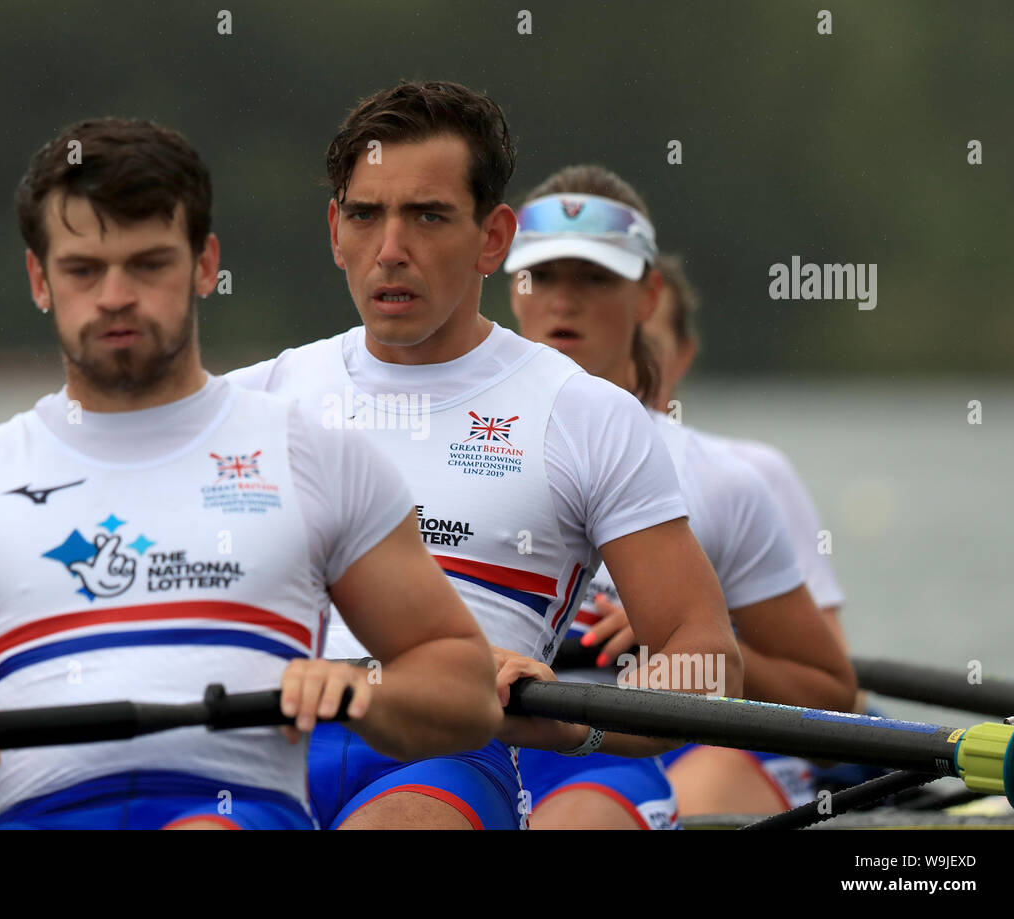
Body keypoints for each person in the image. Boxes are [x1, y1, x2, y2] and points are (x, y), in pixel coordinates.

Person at [0, 117, 502, 830]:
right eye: (84, 269)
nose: (115, 295)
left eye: (148, 264)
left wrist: (366, 690)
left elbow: (464, 687)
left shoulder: (317, 459)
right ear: (39, 279)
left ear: (205, 265)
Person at [226, 81, 741, 830]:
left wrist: (579, 724)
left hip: (441, 762)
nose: (391, 251)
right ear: (336, 230)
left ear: (493, 239)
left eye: (428, 216)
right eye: (367, 216)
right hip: (250, 749)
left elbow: (704, 659)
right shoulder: (254, 397)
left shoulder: (583, 413)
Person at [504, 164, 857, 828]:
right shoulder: (456, 455)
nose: (564, 301)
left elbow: (835, 698)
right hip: (517, 736)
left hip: (696, 742)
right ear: (512, 289)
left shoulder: (726, 479)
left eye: (595, 278)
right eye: (542, 276)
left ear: (647, 296)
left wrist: (698, 641)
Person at [642, 252, 879, 814]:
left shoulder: (745, 473)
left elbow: (835, 707)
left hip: (734, 745)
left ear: (682, 356)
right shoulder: (501, 466)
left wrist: (691, 643)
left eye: (640, 342)